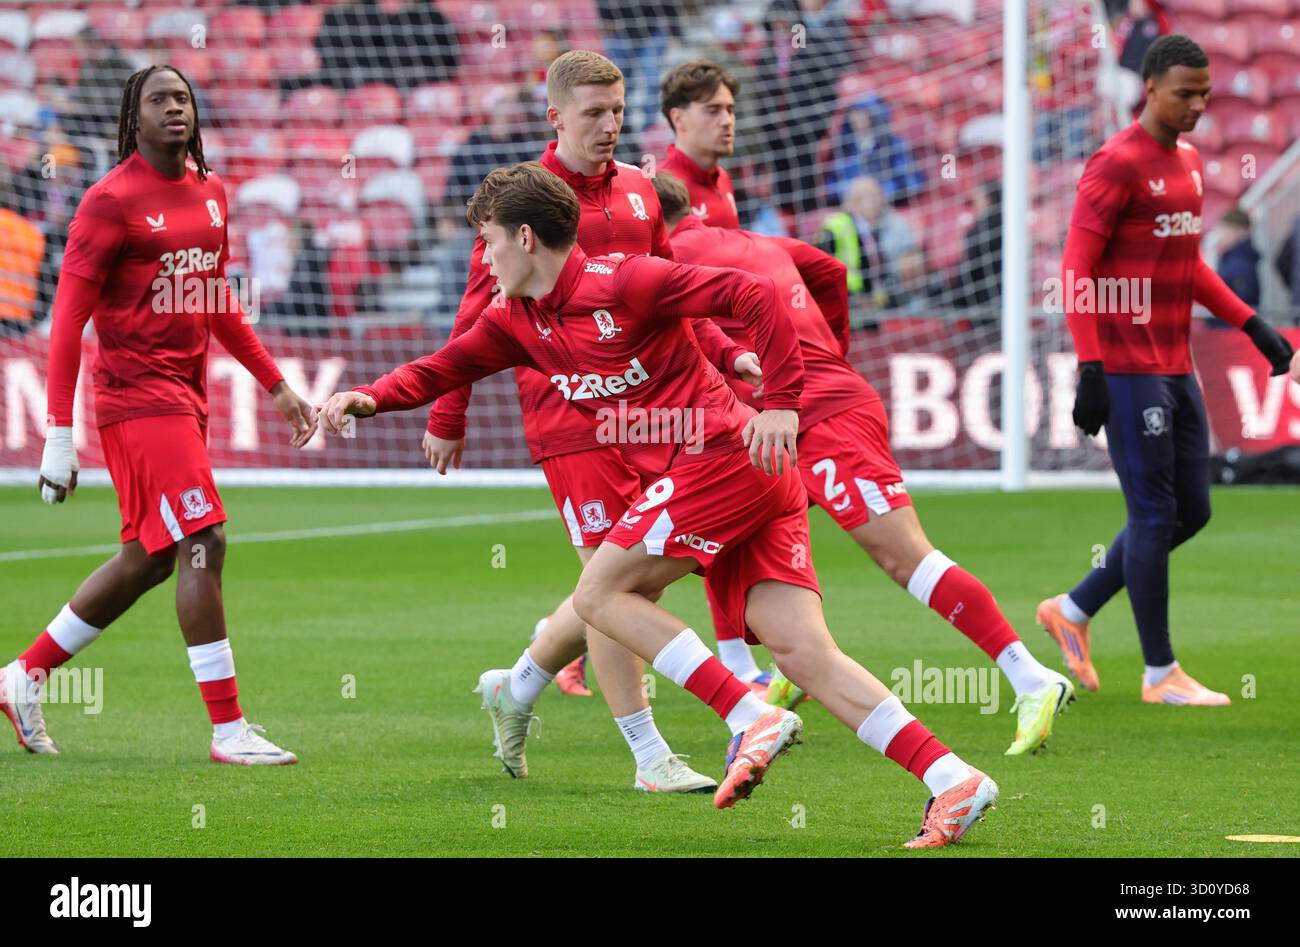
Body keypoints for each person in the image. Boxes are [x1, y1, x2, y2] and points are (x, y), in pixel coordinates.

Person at [317, 162, 1001, 848]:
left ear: (525, 238)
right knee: (804, 651)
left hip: (725, 458)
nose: (483, 254)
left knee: (598, 591)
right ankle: (952, 778)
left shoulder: (627, 280)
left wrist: (782, 407)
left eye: (488, 239)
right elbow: (441, 367)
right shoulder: (517, 321)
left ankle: (744, 712)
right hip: (738, 481)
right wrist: (367, 396)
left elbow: (758, 296)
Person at [422, 51, 755, 793]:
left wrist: (729, 356)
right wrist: (450, 410)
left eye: (616, 111)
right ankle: (649, 757)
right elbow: (478, 312)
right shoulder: (523, 203)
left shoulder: (639, 192)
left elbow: (677, 299)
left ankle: (517, 683)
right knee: (613, 586)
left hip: (650, 412)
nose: (608, 126)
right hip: (566, 415)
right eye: (592, 115)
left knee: (630, 585)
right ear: (555, 118)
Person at [655, 171, 1075, 755]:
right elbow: (829, 273)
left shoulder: (673, 258)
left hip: (823, 420)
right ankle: (788, 669)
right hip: (795, 419)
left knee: (904, 557)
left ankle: (1030, 675)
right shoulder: (758, 241)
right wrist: (832, 349)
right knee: (748, 541)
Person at [0, 66, 317, 763]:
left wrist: (276, 385)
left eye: (182, 97)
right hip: (135, 396)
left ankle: (24, 676)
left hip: (187, 395)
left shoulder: (211, 193)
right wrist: (59, 432)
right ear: (133, 117)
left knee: (148, 559)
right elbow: (65, 322)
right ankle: (229, 727)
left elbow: (214, 299)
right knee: (206, 537)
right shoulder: (108, 202)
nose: (174, 107)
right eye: (158, 100)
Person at [1042, 36, 1295, 704]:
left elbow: (1188, 267)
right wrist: (1091, 366)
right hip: (1125, 367)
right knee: (1154, 512)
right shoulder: (1114, 165)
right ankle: (1160, 674)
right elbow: (1075, 269)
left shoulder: (1186, 162)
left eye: (1205, 93)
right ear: (1150, 87)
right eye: (1185, 92)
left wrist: (1252, 323)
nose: (1199, 105)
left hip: (1175, 362)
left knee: (1195, 508)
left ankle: (1071, 609)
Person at [816, 175, 925, 312]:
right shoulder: (839, 228)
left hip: (895, 296)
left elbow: (912, 265)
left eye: (876, 195)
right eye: (860, 198)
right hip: (852, 300)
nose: (874, 201)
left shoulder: (897, 226)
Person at [1212, 207, 1260, 312]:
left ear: (1242, 231)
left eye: (1227, 229)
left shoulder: (1241, 263)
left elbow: (1243, 299)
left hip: (1231, 325)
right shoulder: (1229, 258)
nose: (1222, 234)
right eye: (1222, 229)